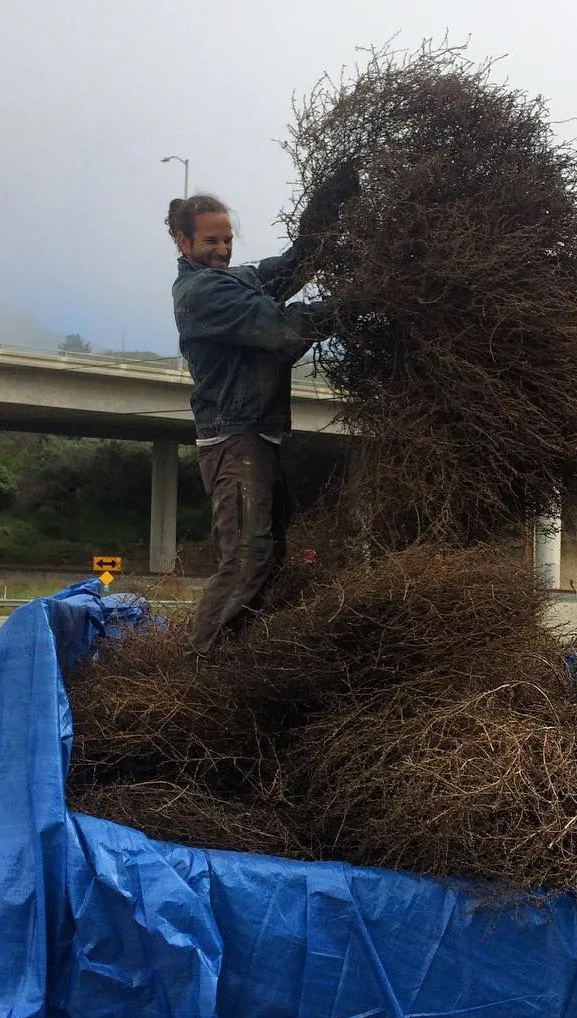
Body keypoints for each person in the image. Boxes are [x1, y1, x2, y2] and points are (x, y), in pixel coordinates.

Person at [168, 169, 356, 656]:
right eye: (212, 240)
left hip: (260, 435)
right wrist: (360, 298)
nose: (223, 249)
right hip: (234, 438)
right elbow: (284, 330)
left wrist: (327, 207)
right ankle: (202, 664)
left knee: (270, 556)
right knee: (245, 557)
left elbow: (293, 267)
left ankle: (236, 651)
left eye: (228, 239)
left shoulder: (235, 281)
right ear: (183, 241)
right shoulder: (202, 294)